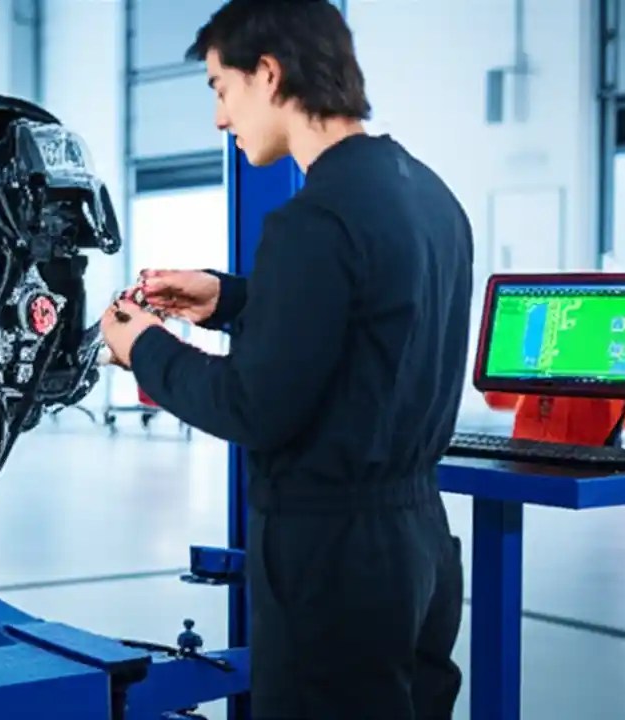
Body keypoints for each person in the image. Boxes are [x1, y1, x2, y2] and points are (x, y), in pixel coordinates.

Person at [98, 1, 472, 718]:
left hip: (331, 565)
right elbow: (368, 328)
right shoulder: (428, 196)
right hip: (421, 543)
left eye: (219, 88)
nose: (218, 118)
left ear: (267, 74)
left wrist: (142, 346)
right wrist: (232, 298)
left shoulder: (312, 221)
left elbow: (253, 406)